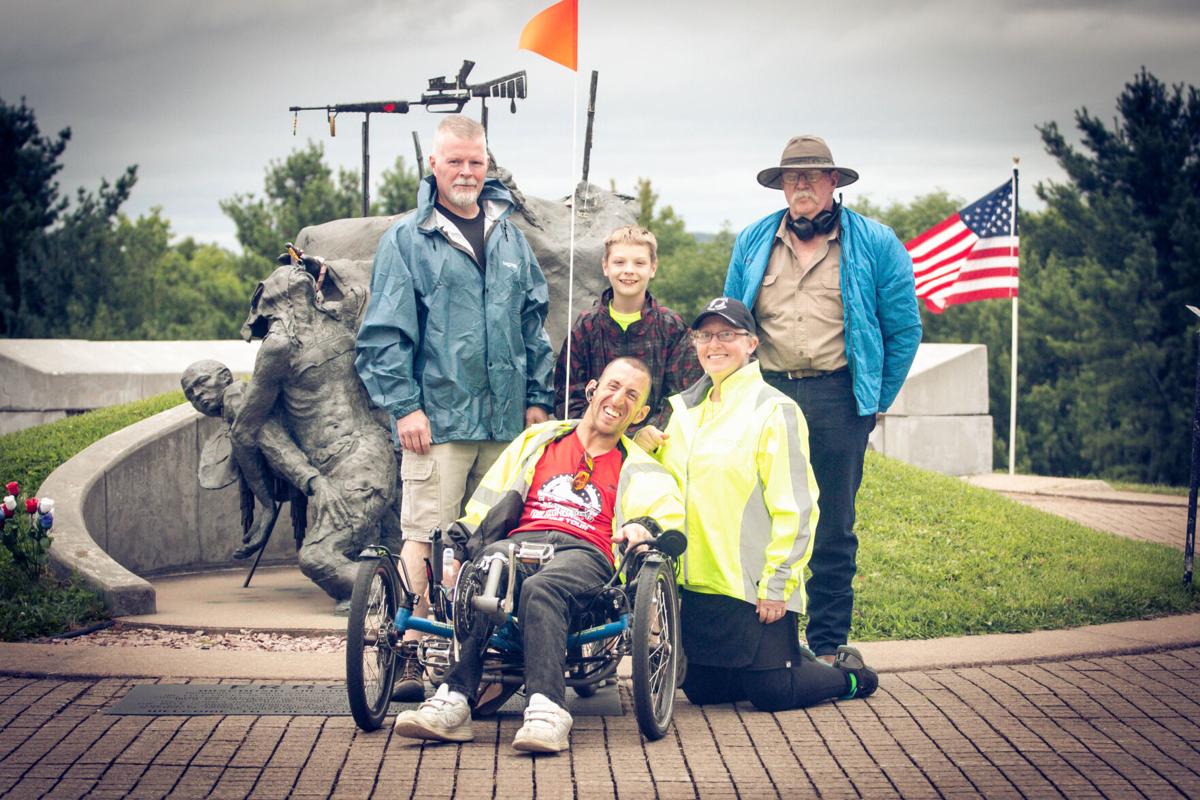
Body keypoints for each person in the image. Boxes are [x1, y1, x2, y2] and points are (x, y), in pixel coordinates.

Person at [355, 115, 556, 699]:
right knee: (428, 533)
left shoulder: (510, 235)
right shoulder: (407, 238)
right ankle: (420, 654)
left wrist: (538, 400)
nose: (466, 171)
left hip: (504, 424)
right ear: (433, 165)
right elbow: (384, 333)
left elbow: (532, 324)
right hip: (437, 422)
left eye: (476, 162)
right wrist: (405, 407)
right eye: (455, 162)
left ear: (487, 166)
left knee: (500, 540)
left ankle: (485, 656)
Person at [392, 357, 685, 753]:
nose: (618, 399)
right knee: (486, 568)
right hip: (519, 540)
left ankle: (547, 708)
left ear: (641, 413)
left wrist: (642, 528)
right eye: (613, 386)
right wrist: (461, 544)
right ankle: (455, 699)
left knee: (542, 588)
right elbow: (489, 500)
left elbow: (666, 517)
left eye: (632, 396)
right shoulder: (539, 440)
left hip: (586, 552)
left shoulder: (642, 467)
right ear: (593, 389)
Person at [724, 136, 921, 662]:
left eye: (814, 175)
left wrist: (874, 399)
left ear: (835, 182)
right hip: (768, 395)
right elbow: (734, 323)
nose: (803, 185)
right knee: (761, 522)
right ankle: (768, 643)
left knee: (832, 527)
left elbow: (904, 329)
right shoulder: (752, 240)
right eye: (794, 177)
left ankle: (829, 644)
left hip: (839, 396)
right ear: (782, 185)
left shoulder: (875, 242)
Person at [654, 297, 877, 711]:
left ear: (752, 343)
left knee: (773, 693)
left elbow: (798, 505)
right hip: (699, 589)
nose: (715, 344)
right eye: (705, 335)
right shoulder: (682, 412)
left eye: (728, 335)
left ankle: (848, 676)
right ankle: (790, 658)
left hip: (755, 591)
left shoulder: (775, 409)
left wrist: (777, 584)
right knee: (702, 692)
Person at [230, 259, 397, 602]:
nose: (294, 272)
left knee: (316, 558)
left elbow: (366, 287)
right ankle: (393, 590)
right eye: (285, 275)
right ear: (271, 299)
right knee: (347, 552)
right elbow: (246, 430)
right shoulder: (279, 346)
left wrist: (326, 265)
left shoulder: (338, 319)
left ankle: (394, 597)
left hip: (364, 458)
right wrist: (269, 504)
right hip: (341, 466)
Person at [553, 225, 702, 452]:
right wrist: (603, 432)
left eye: (639, 263)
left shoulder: (671, 327)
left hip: (653, 449)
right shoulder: (586, 326)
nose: (629, 270)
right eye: (619, 262)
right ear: (605, 266)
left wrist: (646, 434)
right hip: (592, 447)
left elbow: (683, 396)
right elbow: (568, 396)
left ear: (653, 268)